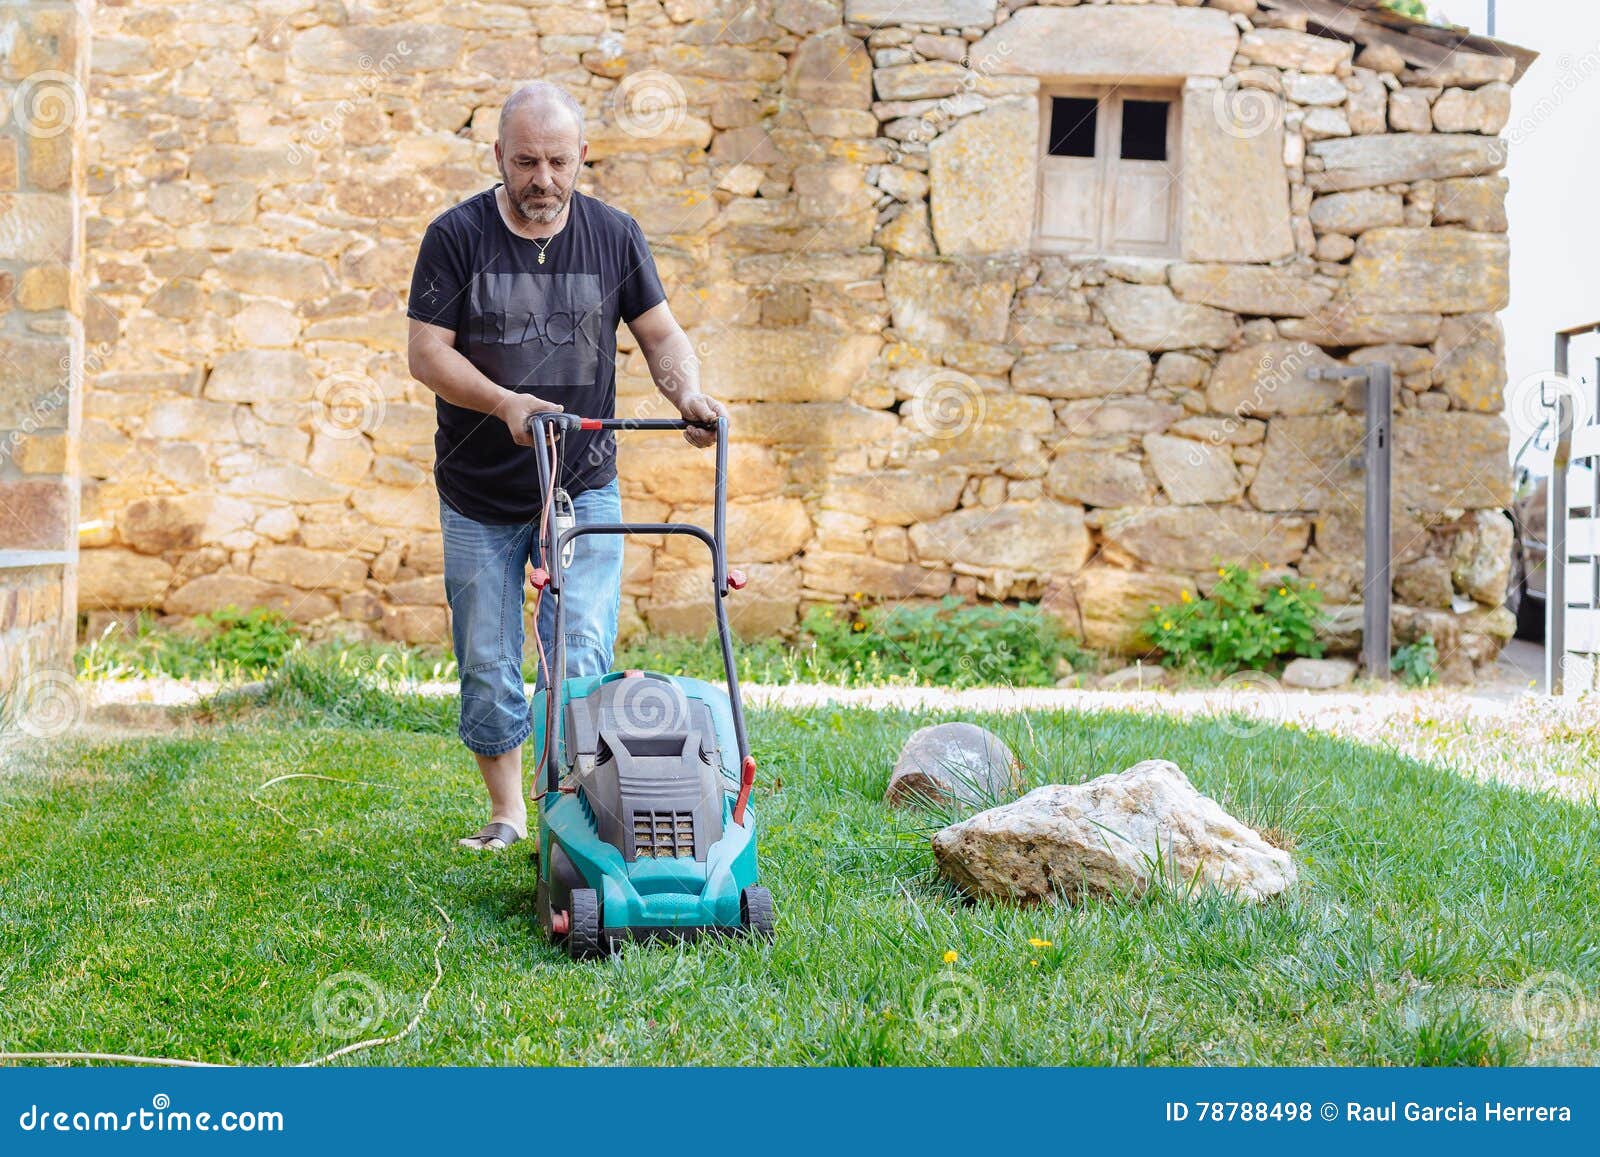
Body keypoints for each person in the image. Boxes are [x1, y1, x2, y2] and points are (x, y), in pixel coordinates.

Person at [405, 81, 728, 851]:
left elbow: (661, 335)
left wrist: (690, 395)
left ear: (583, 157)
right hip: (480, 490)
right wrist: (507, 403)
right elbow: (426, 354)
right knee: (488, 658)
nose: (542, 178)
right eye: (525, 161)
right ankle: (509, 812)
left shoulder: (615, 236)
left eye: (557, 161)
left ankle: (572, 804)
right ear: (498, 158)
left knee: (580, 645)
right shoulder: (455, 237)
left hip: (584, 482)